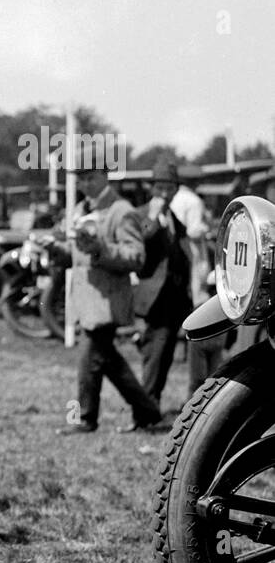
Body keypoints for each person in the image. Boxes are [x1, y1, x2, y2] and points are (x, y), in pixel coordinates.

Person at [56, 139, 166, 435]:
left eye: (90, 177)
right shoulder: (79, 210)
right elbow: (75, 254)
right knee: (108, 361)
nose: (85, 184)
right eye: (80, 179)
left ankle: (85, 418)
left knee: (89, 358)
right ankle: (148, 412)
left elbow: (136, 257)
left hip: (107, 301)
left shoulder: (121, 211)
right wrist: (56, 250)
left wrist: (101, 250)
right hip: (86, 300)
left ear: (105, 175)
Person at [133, 162, 193, 410]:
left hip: (175, 298)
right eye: (159, 188)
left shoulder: (175, 220)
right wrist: (152, 217)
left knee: (166, 353)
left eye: (170, 188)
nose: (164, 194)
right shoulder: (141, 215)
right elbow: (142, 240)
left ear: (177, 189)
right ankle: (145, 408)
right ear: (151, 188)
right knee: (154, 353)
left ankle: (152, 403)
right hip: (154, 298)